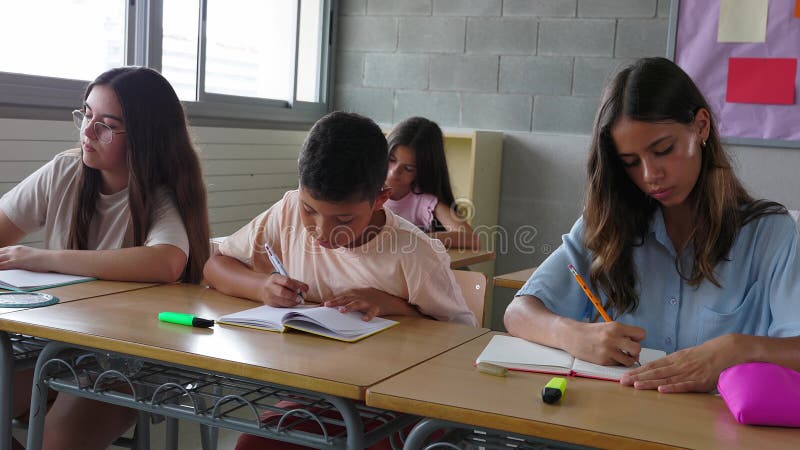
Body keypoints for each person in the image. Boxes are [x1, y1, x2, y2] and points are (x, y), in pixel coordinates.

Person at [504, 57, 800, 394]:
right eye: (631, 163)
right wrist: (571, 334)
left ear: (701, 126)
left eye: (663, 150)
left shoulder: (769, 233)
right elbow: (518, 312)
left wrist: (737, 348)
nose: (650, 176)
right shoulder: (609, 225)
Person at [204, 111, 476, 450]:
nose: (322, 231)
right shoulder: (287, 211)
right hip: (321, 395)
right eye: (310, 210)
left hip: (397, 405)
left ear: (381, 198)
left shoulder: (414, 252)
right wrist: (260, 286)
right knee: (254, 446)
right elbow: (216, 266)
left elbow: (463, 344)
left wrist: (395, 307)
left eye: (343, 218)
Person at [0, 66, 210, 450]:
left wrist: (43, 257)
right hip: (48, 345)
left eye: (107, 125)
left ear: (145, 138)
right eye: (86, 115)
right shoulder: (64, 170)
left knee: (54, 444)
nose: (87, 132)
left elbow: (166, 262)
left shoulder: (161, 193)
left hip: (124, 361)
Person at [384, 116, 480, 249]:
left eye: (408, 168)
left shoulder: (421, 201)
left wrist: (415, 238)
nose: (393, 172)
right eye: (391, 159)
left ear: (423, 172)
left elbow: (471, 239)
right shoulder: (364, 191)